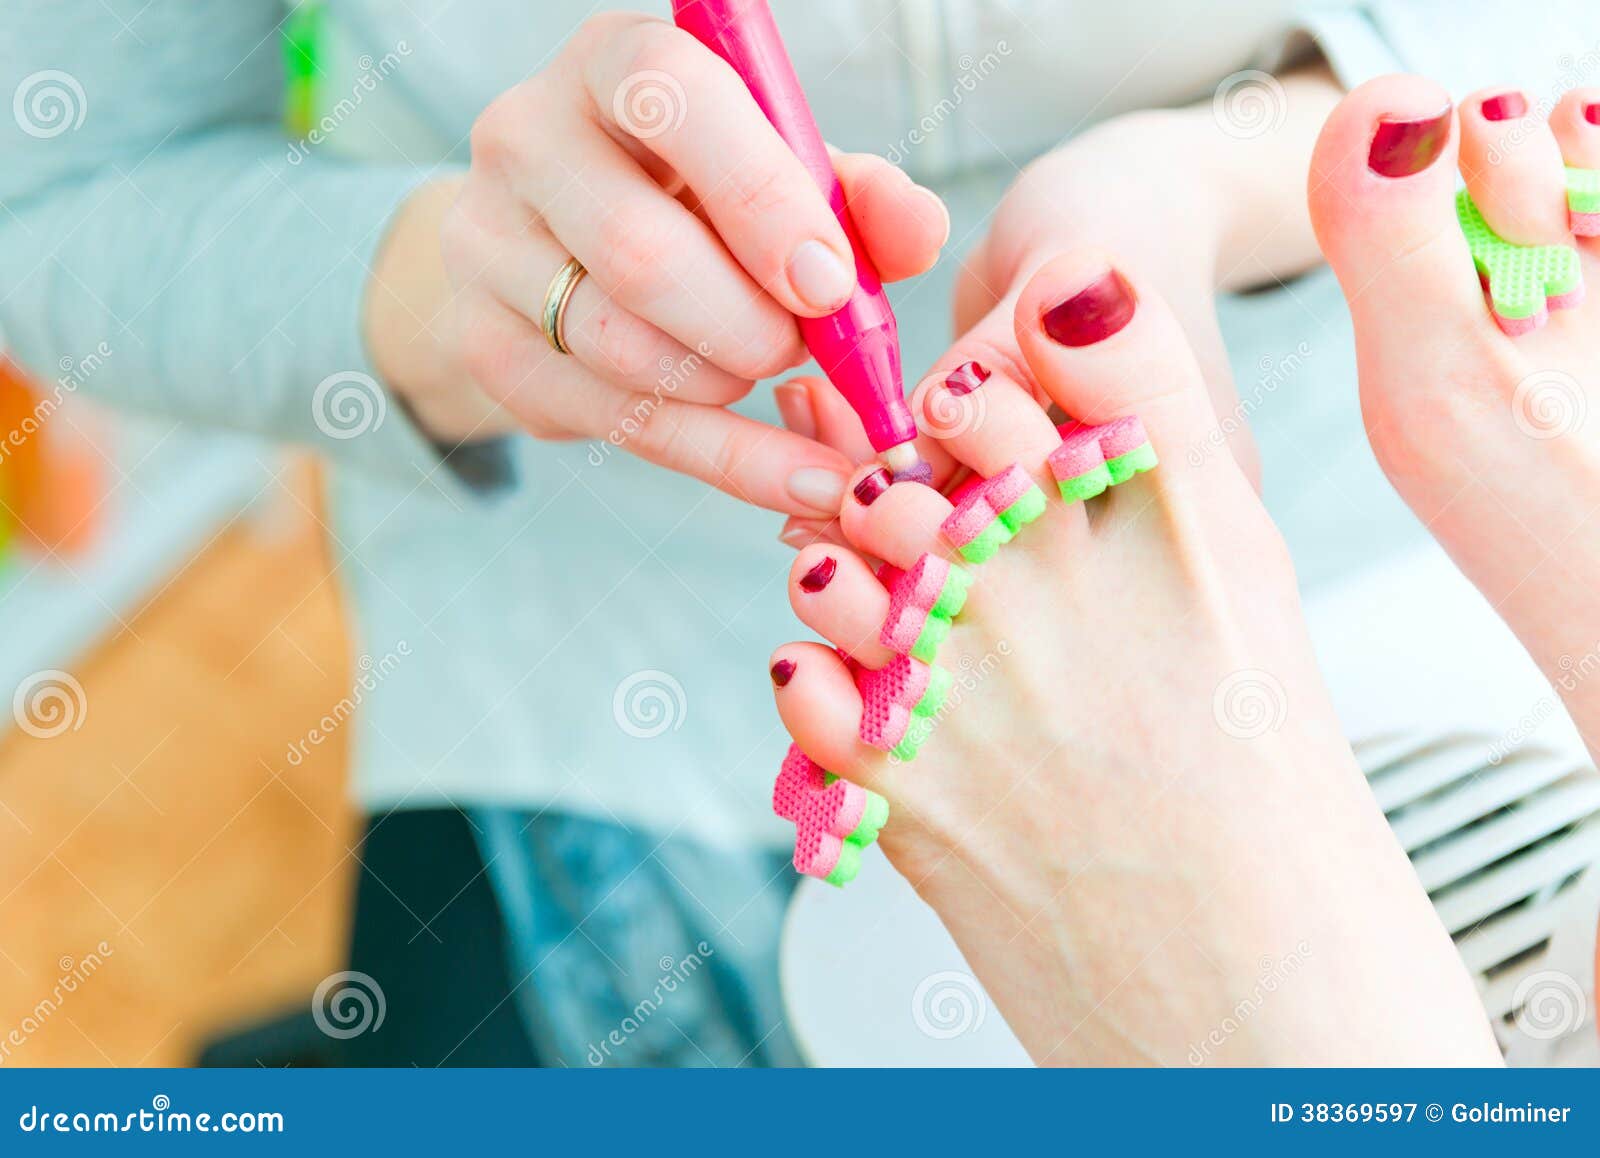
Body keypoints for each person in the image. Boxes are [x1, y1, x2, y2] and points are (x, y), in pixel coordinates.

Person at [2, 0, 1594, 1064]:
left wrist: (1202, 182)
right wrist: (447, 283)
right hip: (609, 601)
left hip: (1337, 420)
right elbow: (60, 191)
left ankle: (1277, 1021)